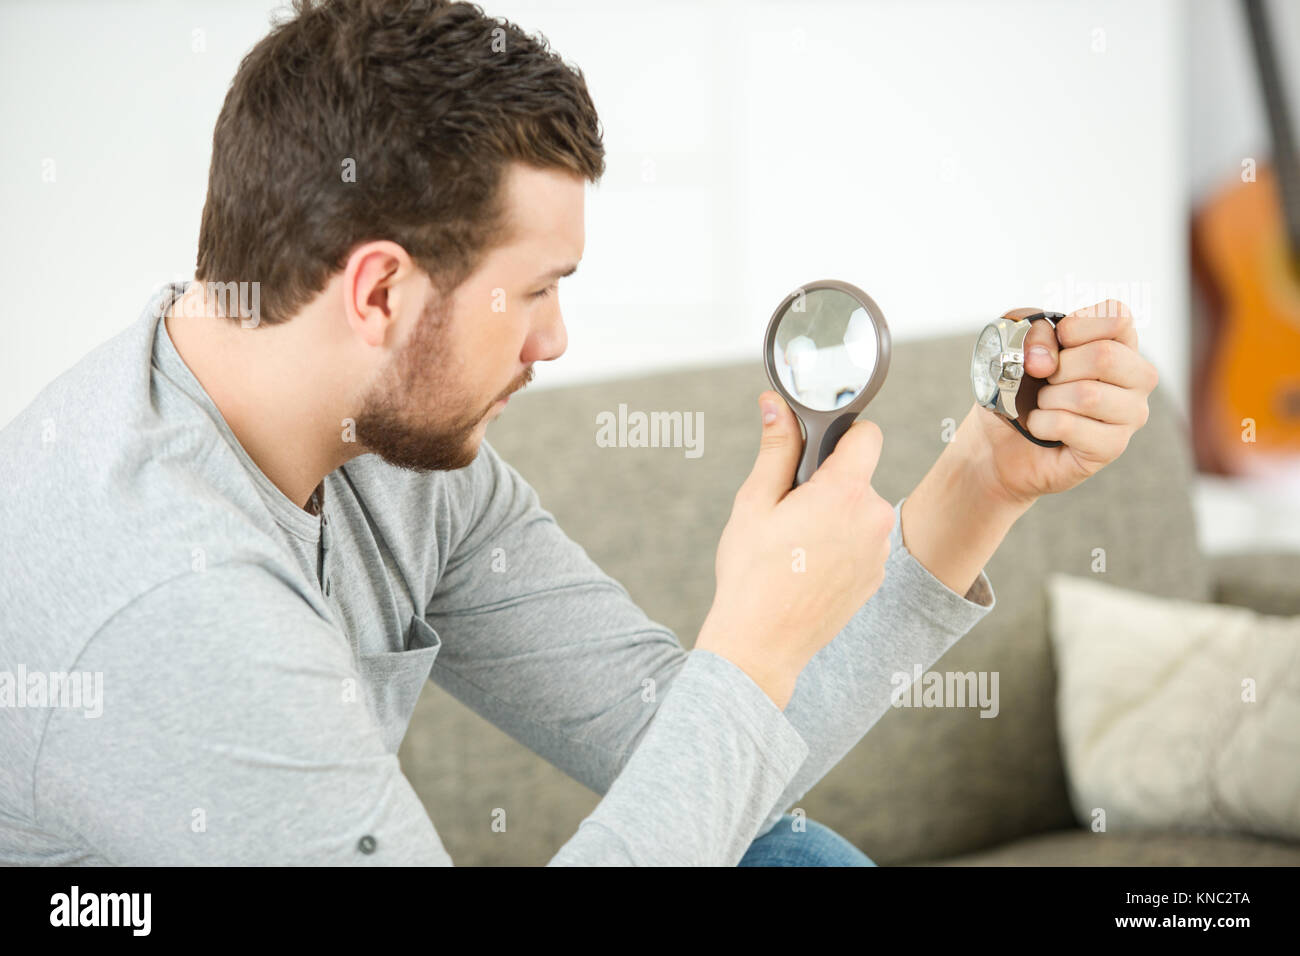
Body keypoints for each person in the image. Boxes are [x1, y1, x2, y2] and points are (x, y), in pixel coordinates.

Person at [0, 0, 1158, 866]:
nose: (554, 343)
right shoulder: (166, 587)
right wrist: (749, 646)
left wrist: (982, 482)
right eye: (538, 288)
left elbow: (702, 748)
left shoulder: (397, 457)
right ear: (377, 294)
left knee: (775, 852)